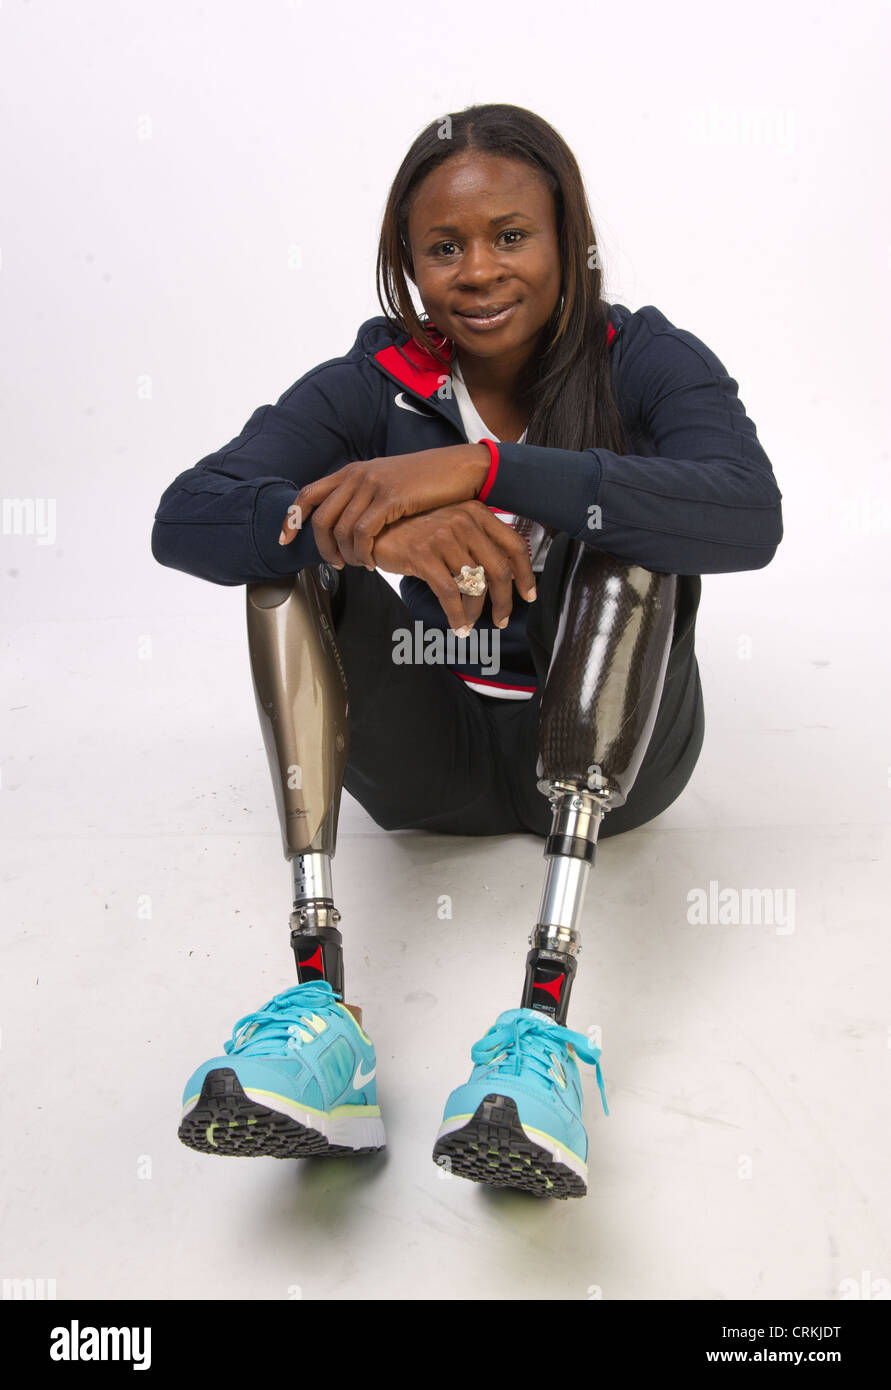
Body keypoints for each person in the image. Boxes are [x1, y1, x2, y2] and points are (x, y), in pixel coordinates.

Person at [151, 103, 783, 1199]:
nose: (480, 271)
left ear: (567, 241)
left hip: (610, 762)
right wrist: (377, 522)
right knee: (288, 544)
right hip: (430, 764)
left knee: (647, 526)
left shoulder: (645, 359)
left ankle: (543, 1040)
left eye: (511, 236)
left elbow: (747, 515)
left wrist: (484, 471)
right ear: (408, 261)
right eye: (445, 247)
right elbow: (186, 512)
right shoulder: (374, 379)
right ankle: (319, 1022)